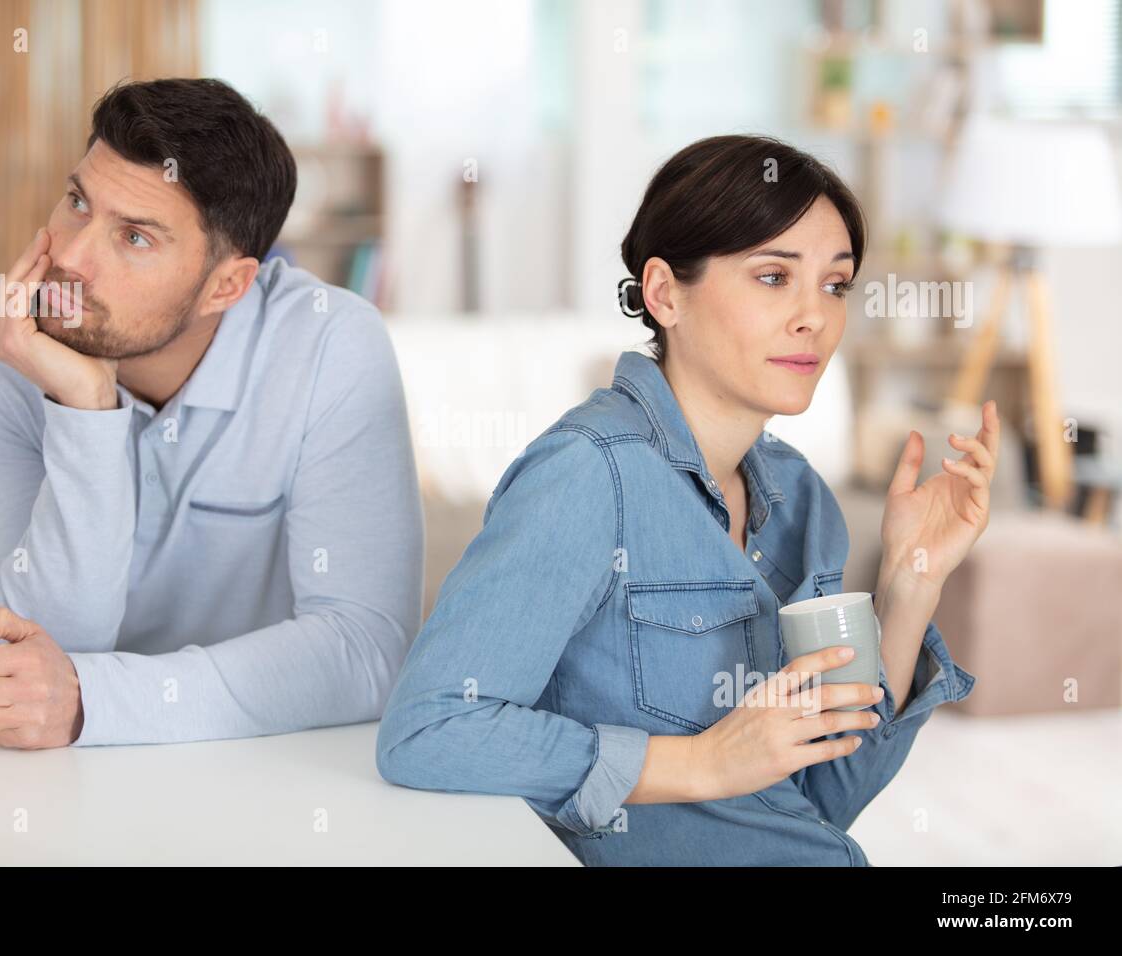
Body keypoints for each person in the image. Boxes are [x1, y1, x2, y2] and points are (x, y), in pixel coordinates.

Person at [376, 134, 997, 865]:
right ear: (665, 292)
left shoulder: (800, 497)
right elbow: (429, 728)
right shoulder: (587, 474)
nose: (815, 317)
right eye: (773, 277)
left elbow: (823, 797)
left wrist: (911, 581)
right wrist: (698, 763)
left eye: (836, 284)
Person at [0, 78, 424, 750]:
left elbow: (366, 650)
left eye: (134, 237)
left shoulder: (331, 345)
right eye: (78, 202)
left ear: (227, 285)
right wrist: (84, 408)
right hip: (59, 779)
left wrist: (94, 702)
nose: (72, 258)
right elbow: (32, 650)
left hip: (271, 770)